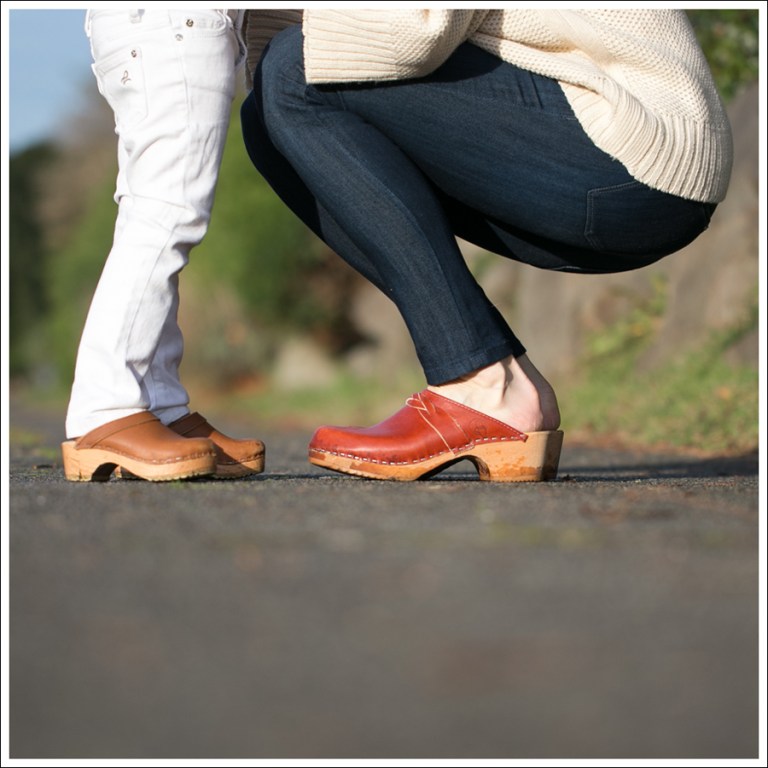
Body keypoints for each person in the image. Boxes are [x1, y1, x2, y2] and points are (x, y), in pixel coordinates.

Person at [239, 9, 733, 482]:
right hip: (611, 158)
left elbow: (419, 26)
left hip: (636, 138)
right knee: (269, 113)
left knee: (295, 72)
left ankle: (480, 379)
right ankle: (506, 380)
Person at [62, 9, 264, 482]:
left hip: (160, 24)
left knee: (150, 209)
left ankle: (158, 404)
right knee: (169, 211)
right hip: (178, 22)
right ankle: (106, 407)